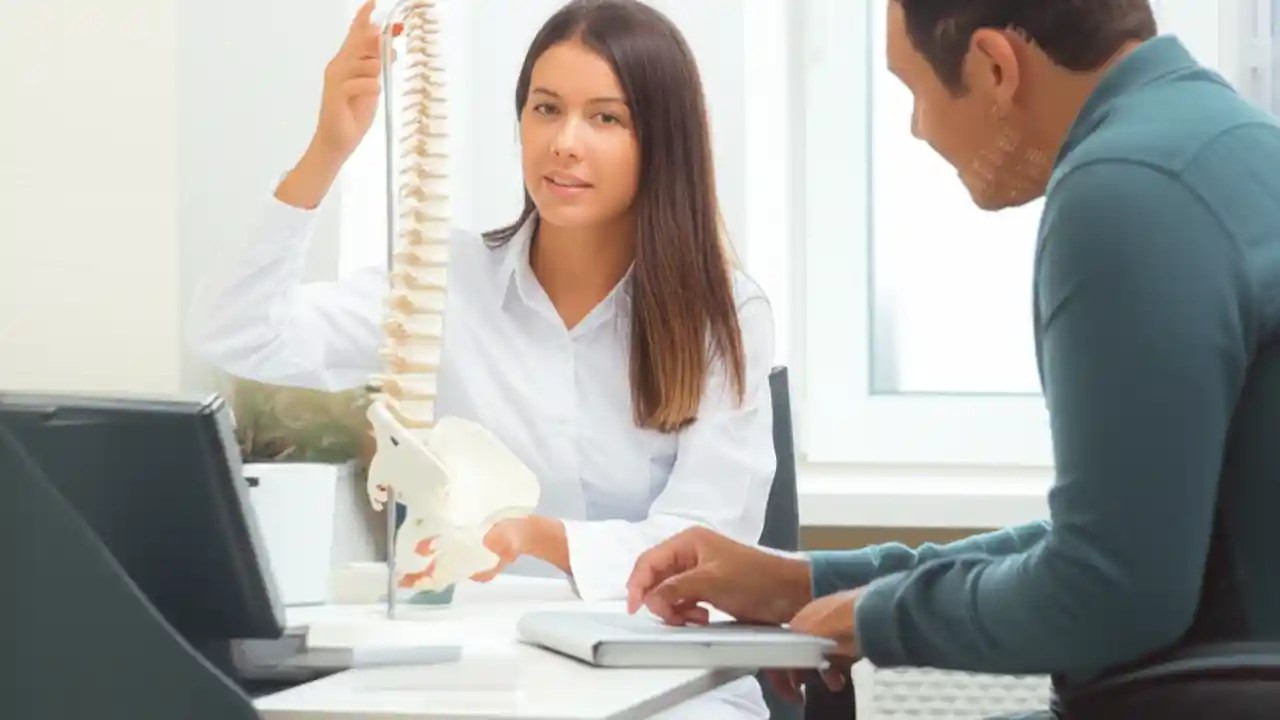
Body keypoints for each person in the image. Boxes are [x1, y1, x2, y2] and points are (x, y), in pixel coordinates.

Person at [626, 1, 1280, 717]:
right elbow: (1118, 544)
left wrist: (876, 619)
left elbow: (1110, 592)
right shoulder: (1220, 142)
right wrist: (811, 581)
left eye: (915, 91)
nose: (918, 127)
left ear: (996, 67)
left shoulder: (1123, 191)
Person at [187, 1, 776, 716]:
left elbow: (702, 546)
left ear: (663, 140)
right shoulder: (444, 279)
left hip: (671, 678)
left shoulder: (725, 315)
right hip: (483, 670)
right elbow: (239, 331)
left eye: (605, 118)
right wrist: (327, 150)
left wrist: (533, 537)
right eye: (546, 108)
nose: (564, 142)